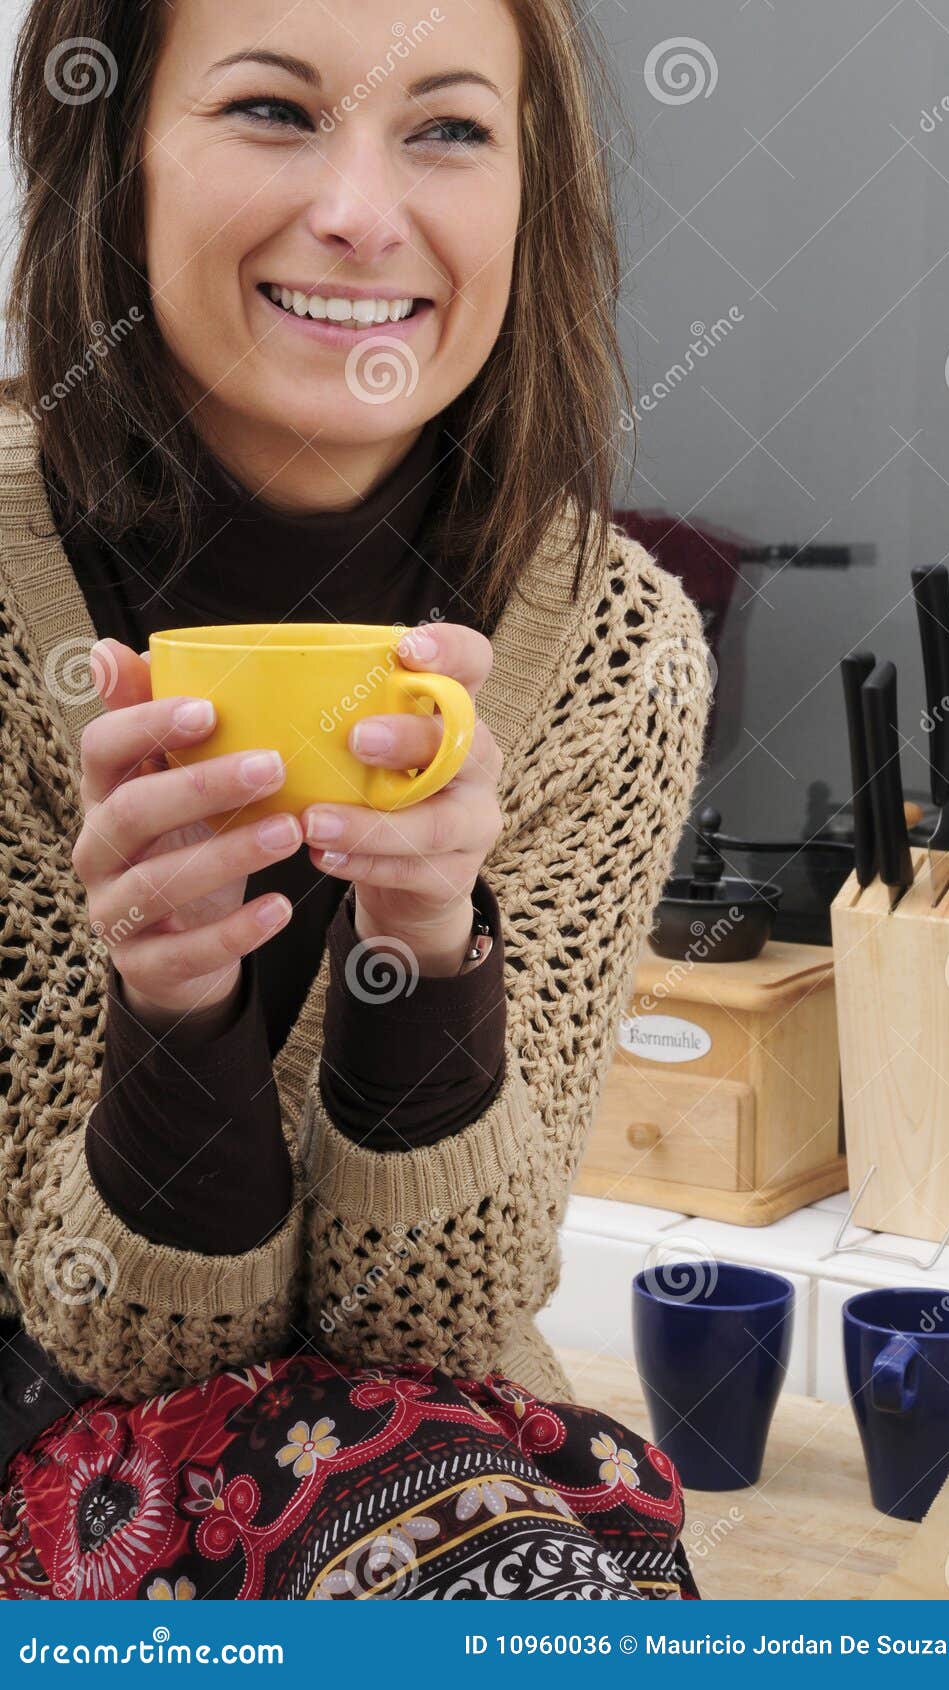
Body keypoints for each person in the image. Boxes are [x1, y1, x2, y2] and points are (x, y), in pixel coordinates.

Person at [0, 0, 710, 1600]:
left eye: (448, 129)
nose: (361, 213)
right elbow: (111, 1346)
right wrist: (171, 1008)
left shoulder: (616, 653)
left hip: (419, 1462)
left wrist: (428, 953)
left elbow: (441, 1325)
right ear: (114, 157)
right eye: (272, 110)